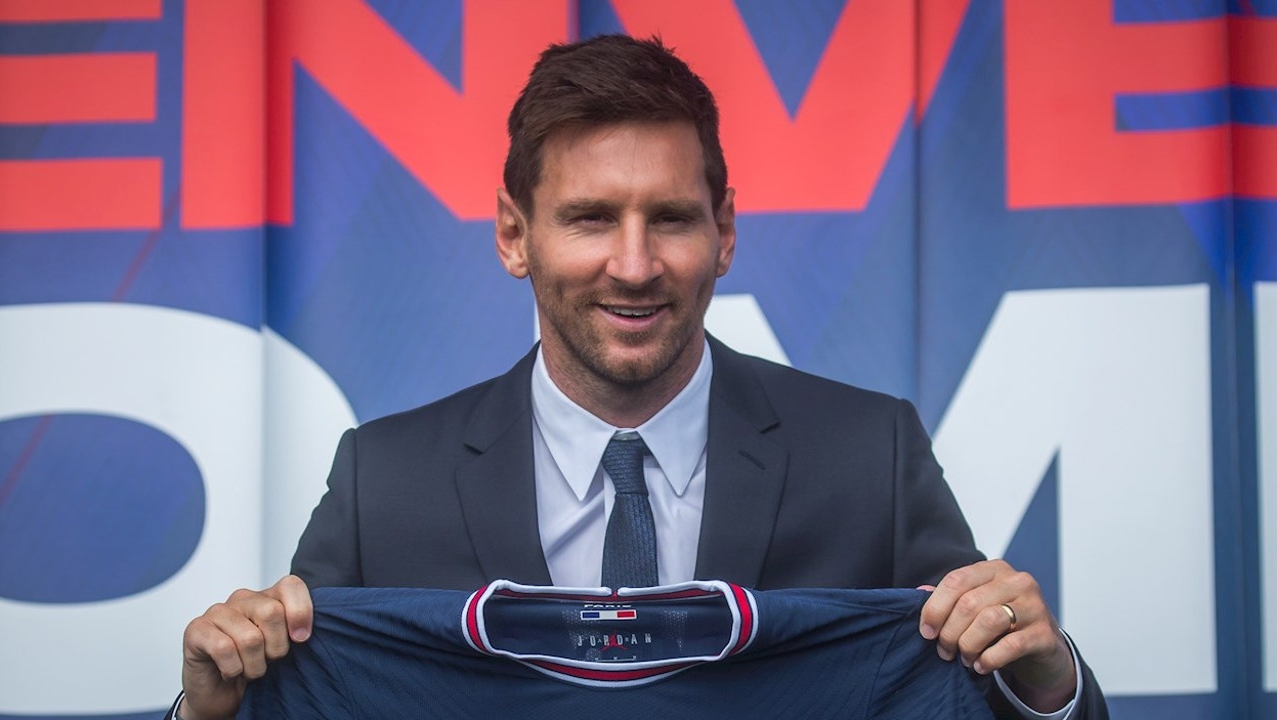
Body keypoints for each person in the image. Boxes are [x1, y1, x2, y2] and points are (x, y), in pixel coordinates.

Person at [172, 35, 1106, 720]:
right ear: (514, 236)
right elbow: (297, 701)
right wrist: (209, 712)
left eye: (670, 218)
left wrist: (1047, 683)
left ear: (724, 232)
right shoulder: (386, 480)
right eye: (589, 219)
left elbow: (980, 698)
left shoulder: (870, 454)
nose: (634, 265)